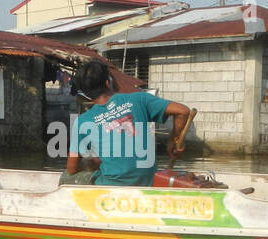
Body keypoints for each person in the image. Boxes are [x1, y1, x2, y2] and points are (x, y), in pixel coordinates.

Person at [63, 60, 191, 186]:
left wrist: (92, 163)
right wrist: (173, 140)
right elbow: (183, 111)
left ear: (86, 93)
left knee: (66, 178)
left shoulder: (83, 121)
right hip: (147, 181)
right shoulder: (139, 98)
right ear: (108, 83)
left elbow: (71, 169)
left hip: (111, 185)